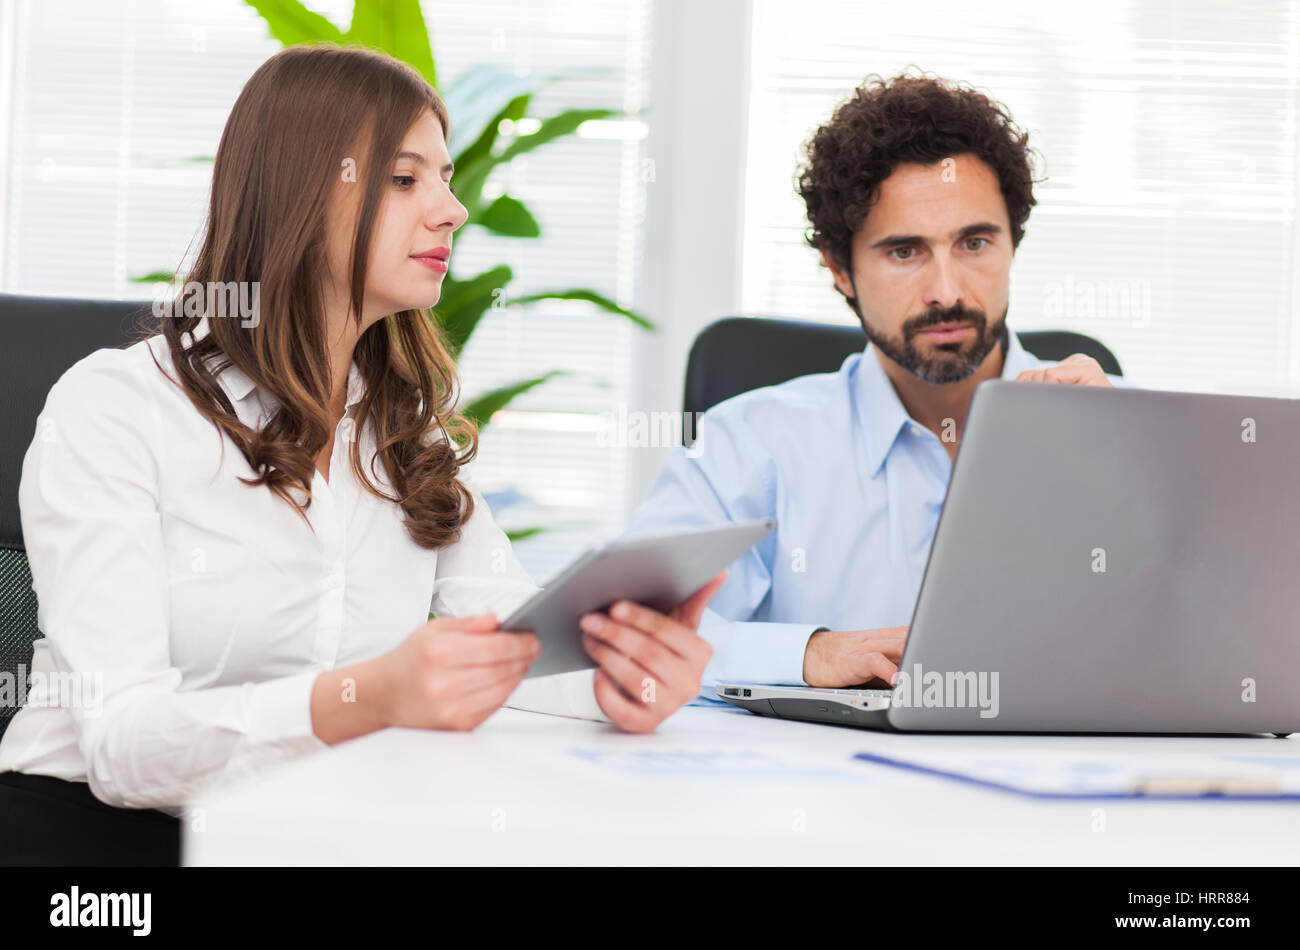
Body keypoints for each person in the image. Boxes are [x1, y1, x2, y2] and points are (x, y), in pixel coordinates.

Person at [0, 45, 720, 865]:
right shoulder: (119, 408)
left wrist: (619, 676)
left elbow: (511, 640)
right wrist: (364, 696)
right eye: (406, 179)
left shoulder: (406, 431)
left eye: (445, 178)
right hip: (94, 841)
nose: (452, 210)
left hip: (309, 835)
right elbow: (124, 747)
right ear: (301, 194)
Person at [621, 72, 1132, 698]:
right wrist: (806, 653)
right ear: (840, 268)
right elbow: (634, 628)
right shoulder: (749, 443)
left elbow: (1225, 639)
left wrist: (1129, 478)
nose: (947, 290)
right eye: (904, 251)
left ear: (1012, 246)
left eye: (975, 243)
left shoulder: (1130, 431)